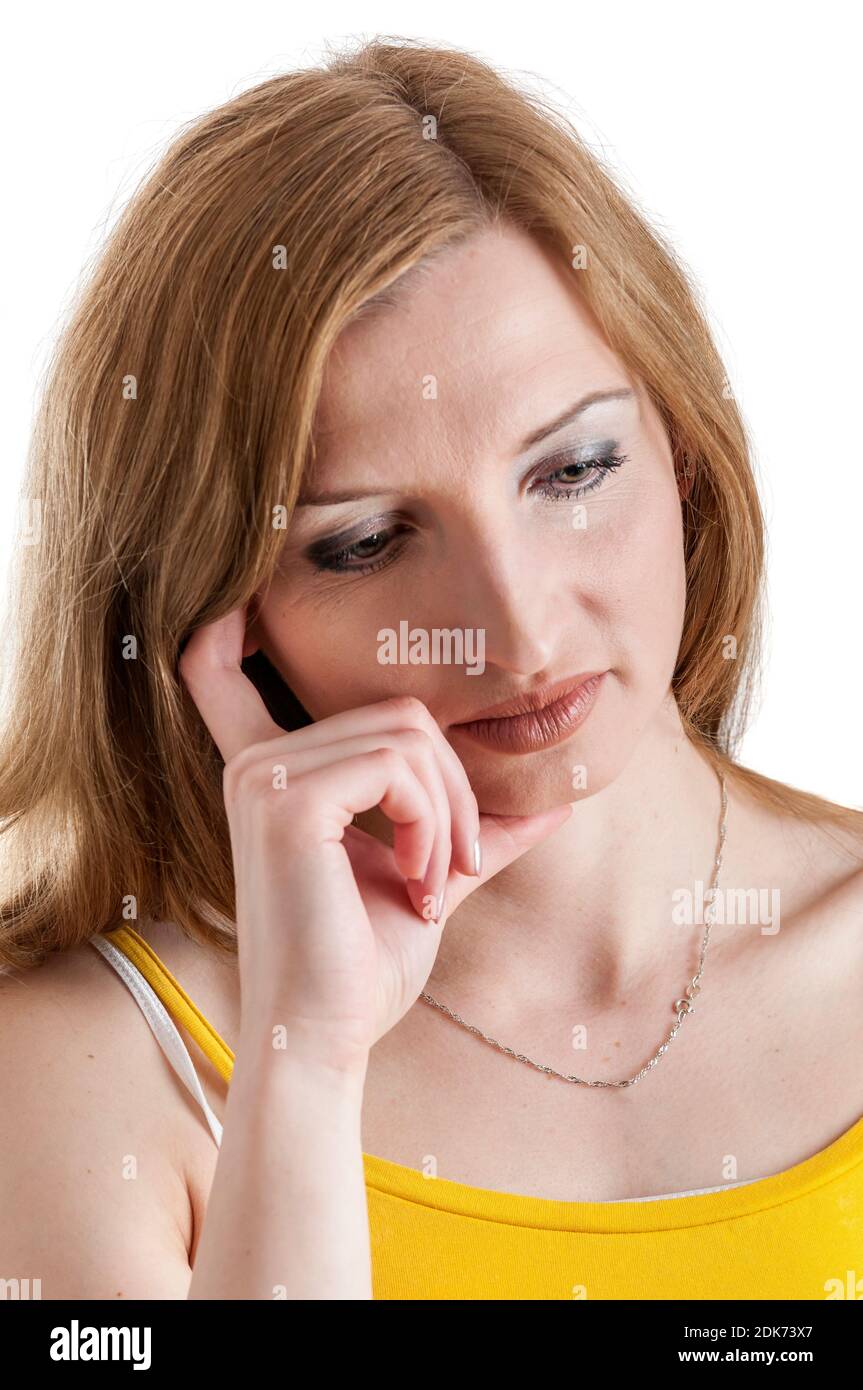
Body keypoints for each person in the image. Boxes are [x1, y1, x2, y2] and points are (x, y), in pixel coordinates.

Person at [1, 37, 861, 1302]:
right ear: (222, 620)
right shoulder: (81, 1070)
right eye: (363, 543)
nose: (512, 633)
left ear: (680, 448)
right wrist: (300, 1062)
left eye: (571, 471)